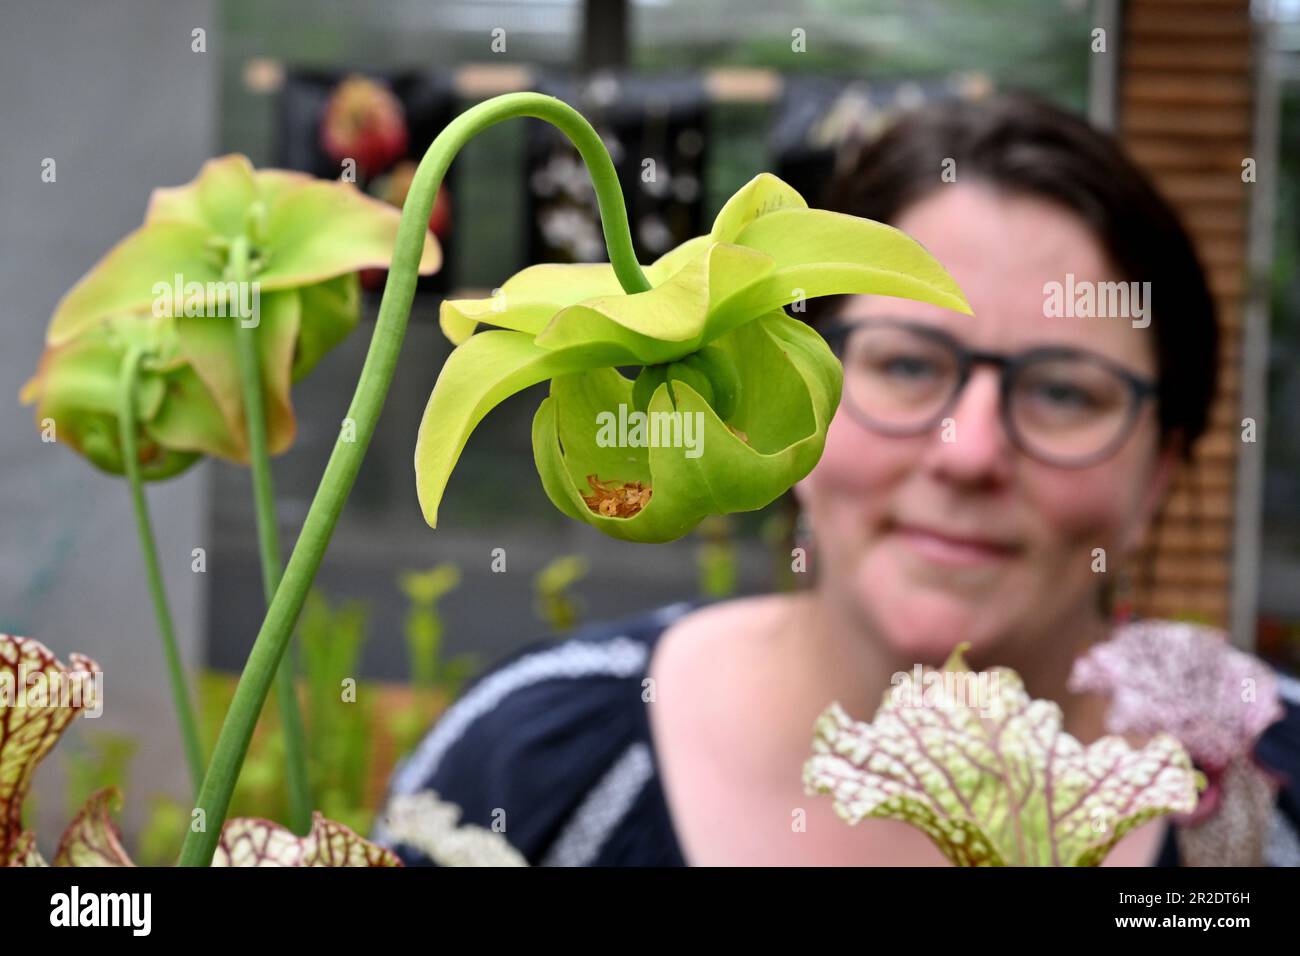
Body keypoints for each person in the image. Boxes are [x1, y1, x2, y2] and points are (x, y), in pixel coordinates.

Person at [376, 92, 1300, 867]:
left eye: (1064, 391)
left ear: (1163, 468)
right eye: (906, 365)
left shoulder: (1273, 773)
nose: (966, 450)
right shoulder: (527, 763)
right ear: (812, 358)